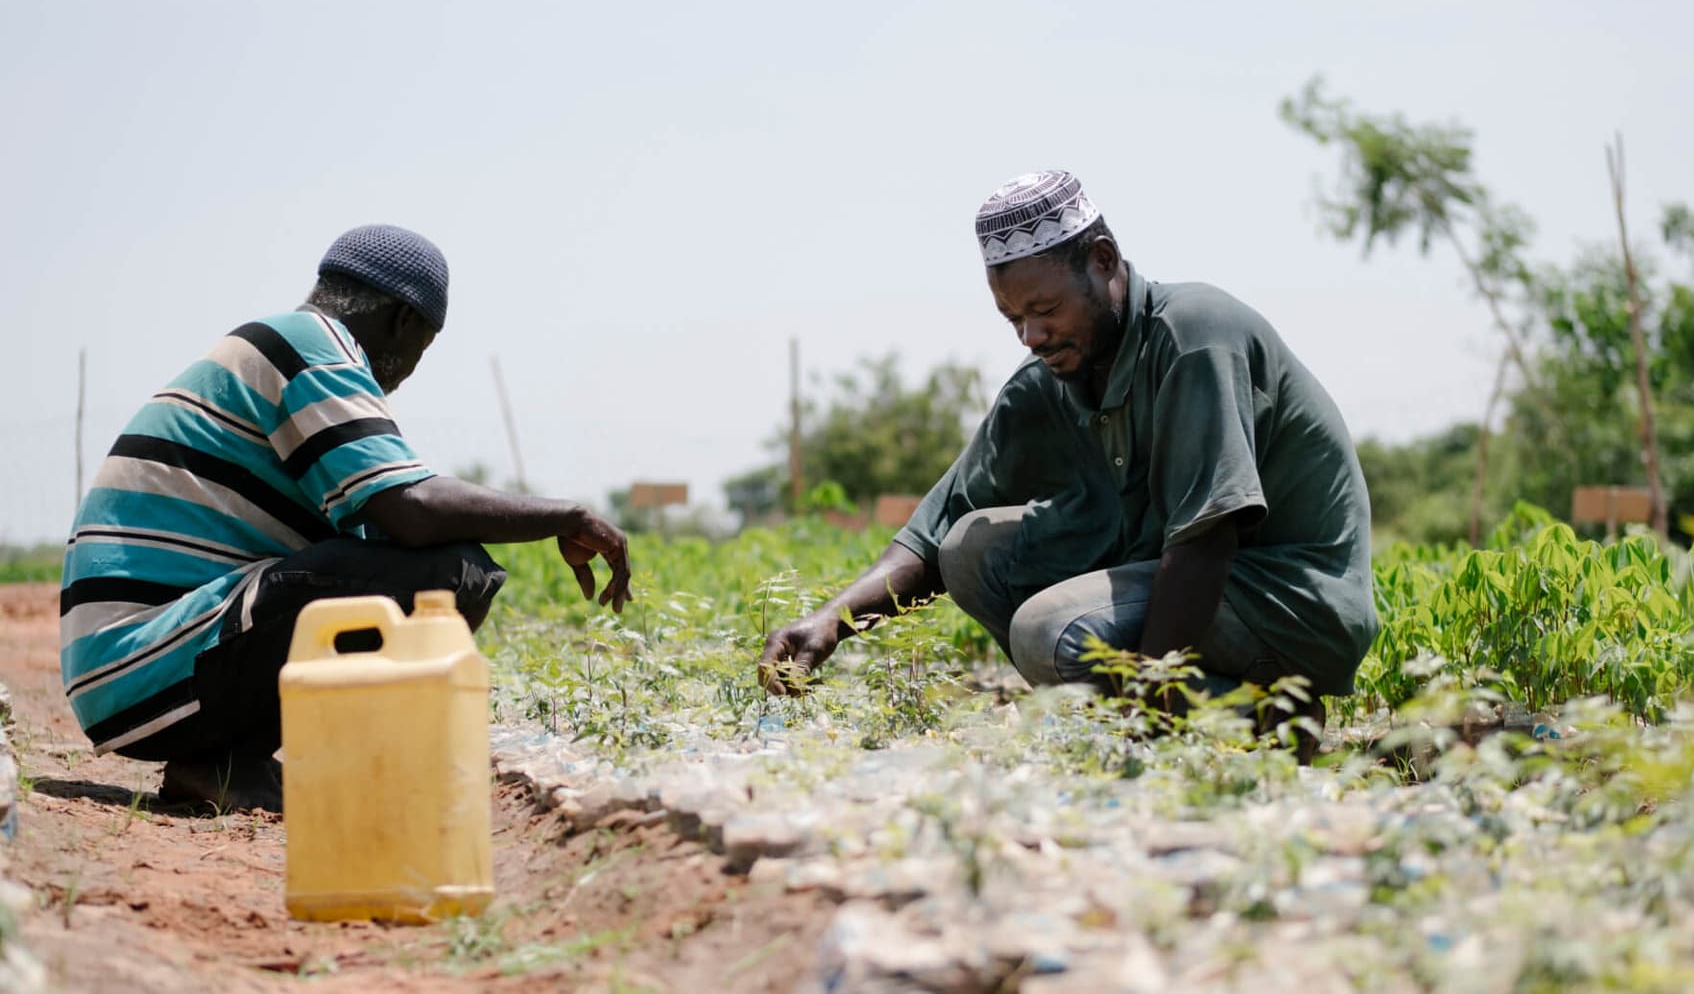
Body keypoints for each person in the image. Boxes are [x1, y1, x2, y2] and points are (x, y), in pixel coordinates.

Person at [758, 171, 1378, 744]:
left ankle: (1257, 719)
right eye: (1013, 319)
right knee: (970, 547)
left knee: (1048, 631)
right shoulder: (1052, 377)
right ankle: (1169, 711)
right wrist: (832, 621)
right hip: (1176, 578)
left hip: (1285, 597)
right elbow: (935, 528)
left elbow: (1204, 545)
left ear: (1103, 261)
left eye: (1046, 310)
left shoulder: (1195, 337)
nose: (1032, 336)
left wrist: (1147, 704)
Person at [61, 225, 632, 811]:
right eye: (422, 350)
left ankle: (224, 760)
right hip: (140, 665)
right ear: (402, 321)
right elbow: (413, 510)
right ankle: (263, 757)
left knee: (409, 564)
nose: (406, 374)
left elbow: (389, 517)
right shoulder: (310, 349)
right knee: (450, 576)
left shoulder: (284, 346)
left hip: (132, 670)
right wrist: (566, 516)